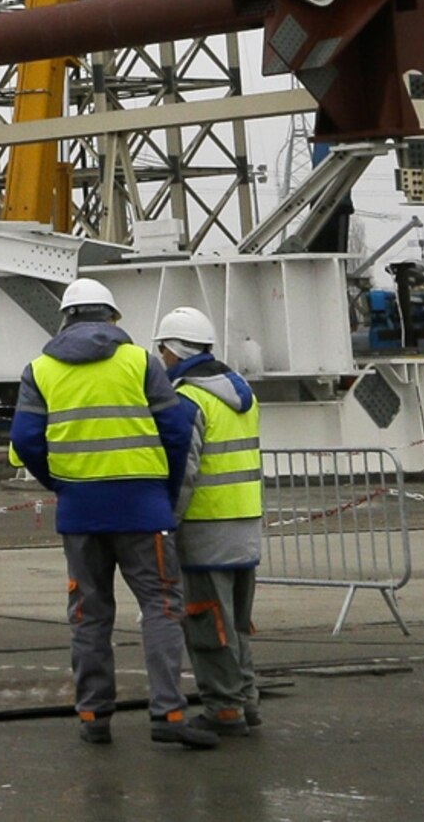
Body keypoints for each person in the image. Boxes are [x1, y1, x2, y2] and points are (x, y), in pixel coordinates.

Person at [11, 277, 211, 750]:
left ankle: (93, 716)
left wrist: (62, 483)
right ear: (113, 318)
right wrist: (161, 491)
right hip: (143, 510)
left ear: (65, 319)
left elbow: (24, 441)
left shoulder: (39, 370)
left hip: (80, 513)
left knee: (89, 614)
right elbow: (177, 431)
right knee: (161, 608)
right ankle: (169, 713)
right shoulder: (141, 361)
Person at [158, 306, 264, 737]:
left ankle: (224, 709)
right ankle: (246, 700)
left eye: (161, 351)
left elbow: (185, 470)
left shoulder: (189, 399)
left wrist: (167, 522)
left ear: (174, 350)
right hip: (245, 523)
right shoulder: (242, 393)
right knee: (236, 622)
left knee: (207, 620)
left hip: (205, 527)